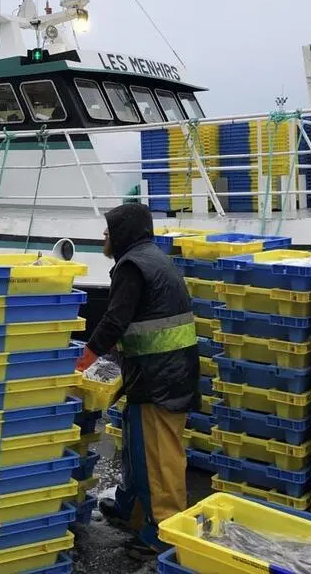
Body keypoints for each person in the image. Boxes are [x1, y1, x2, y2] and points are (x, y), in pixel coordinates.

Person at [74, 202, 199, 559]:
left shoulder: (132, 266)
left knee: (160, 459)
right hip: (162, 373)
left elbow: (114, 322)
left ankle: (165, 532)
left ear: (123, 234)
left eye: (109, 230)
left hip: (160, 379)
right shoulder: (152, 258)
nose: (104, 236)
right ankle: (134, 512)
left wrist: (82, 363)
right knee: (138, 450)